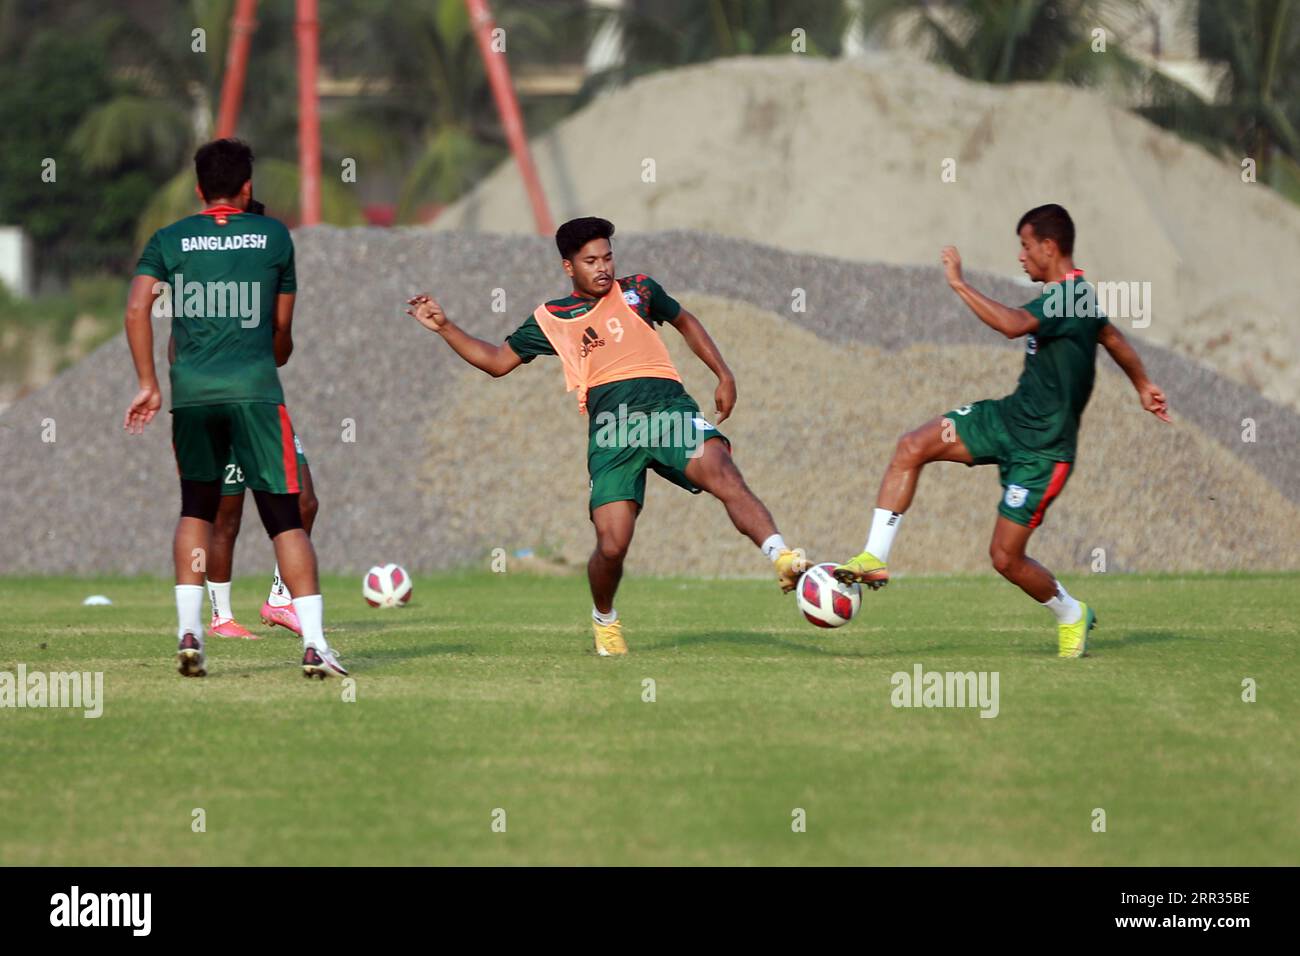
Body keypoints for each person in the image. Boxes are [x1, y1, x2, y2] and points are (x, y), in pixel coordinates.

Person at [407, 216, 806, 655]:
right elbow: (497, 361)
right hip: (613, 431)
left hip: (666, 410)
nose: (603, 268)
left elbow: (685, 320)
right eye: (591, 260)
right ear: (568, 267)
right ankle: (605, 619)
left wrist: (723, 374)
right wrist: (445, 326)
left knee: (722, 472)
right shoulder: (552, 318)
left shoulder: (639, 290)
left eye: (608, 257)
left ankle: (782, 556)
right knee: (613, 545)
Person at [834, 204, 1170, 658]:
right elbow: (1112, 339)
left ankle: (1071, 613)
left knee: (1005, 558)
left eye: (1026, 245)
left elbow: (1013, 326)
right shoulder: (1078, 297)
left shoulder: (1067, 298)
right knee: (912, 446)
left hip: (1042, 455)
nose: (1021, 256)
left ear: (1049, 247)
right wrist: (1143, 384)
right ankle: (874, 556)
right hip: (1005, 421)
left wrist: (958, 283)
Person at [123, 137, 346, 678]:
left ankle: (191, 631)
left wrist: (149, 383)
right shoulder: (273, 234)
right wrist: (268, 351)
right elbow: (282, 333)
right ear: (247, 188)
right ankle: (314, 644)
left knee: (196, 509)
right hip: (255, 390)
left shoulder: (168, 238)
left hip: (192, 393)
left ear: (199, 188)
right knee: (285, 519)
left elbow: (136, 308)